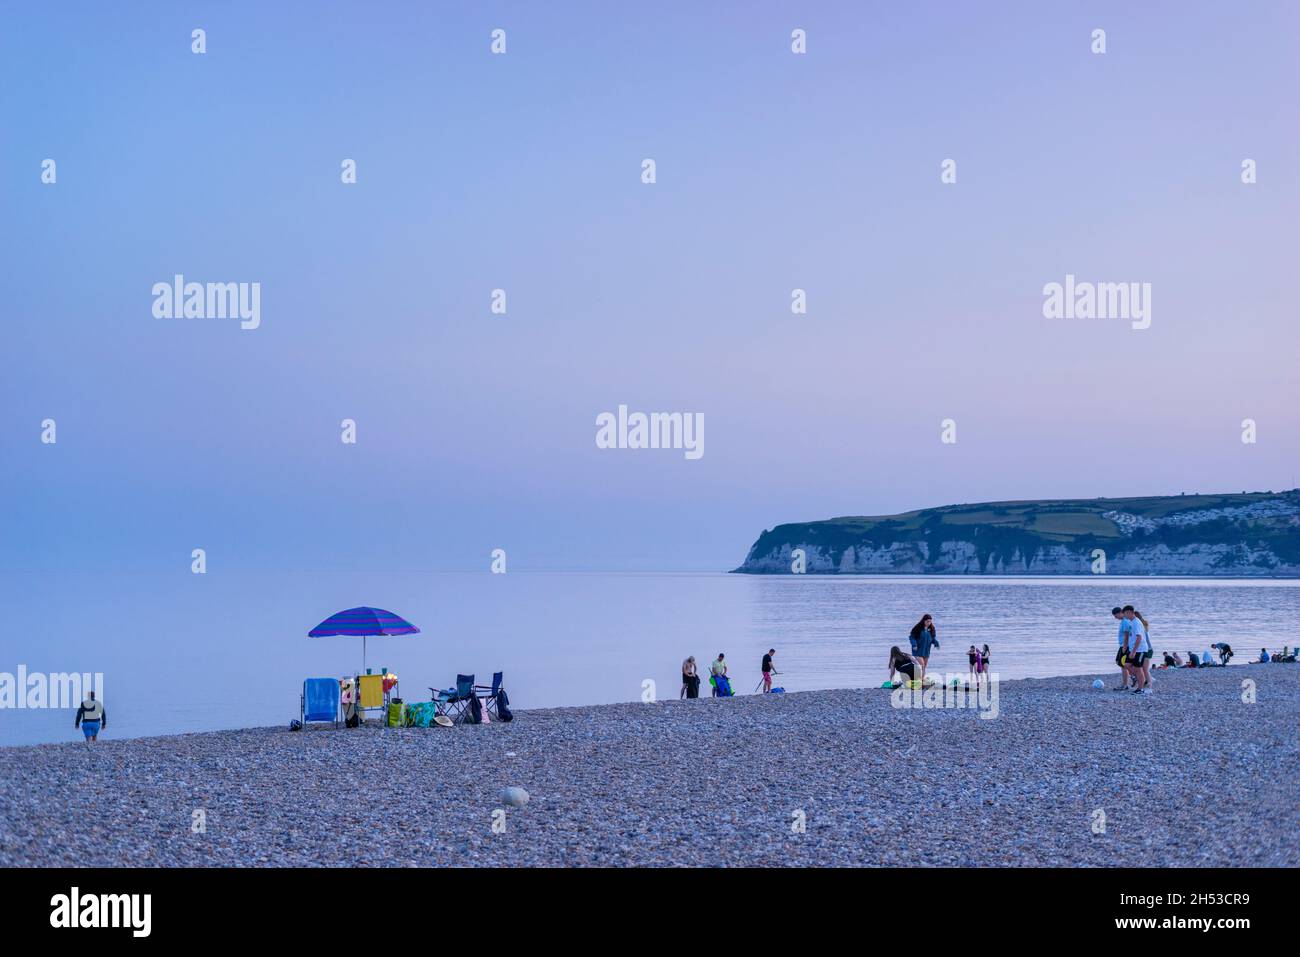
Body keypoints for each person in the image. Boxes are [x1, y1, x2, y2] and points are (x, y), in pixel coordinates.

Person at [1123, 606, 1152, 694]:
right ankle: (1136, 677)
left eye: (1125, 613)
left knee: (1138, 669)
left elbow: (1139, 637)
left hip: (1140, 650)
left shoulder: (1136, 623)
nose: (1124, 615)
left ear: (1130, 612)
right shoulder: (1131, 622)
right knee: (1127, 665)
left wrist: (1134, 651)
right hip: (1133, 649)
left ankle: (1140, 689)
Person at [908, 614, 938, 682]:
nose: (929, 623)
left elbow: (932, 638)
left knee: (924, 667)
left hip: (926, 651)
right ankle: (918, 680)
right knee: (921, 666)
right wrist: (914, 644)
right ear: (924, 621)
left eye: (930, 621)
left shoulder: (931, 629)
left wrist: (936, 643)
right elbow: (911, 637)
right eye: (927, 621)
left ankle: (921, 680)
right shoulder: (918, 628)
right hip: (917, 650)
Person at [1112, 607, 1133, 690]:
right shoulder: (1123, 621)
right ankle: (1129, 680)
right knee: (1119, 662)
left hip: (1125, 646)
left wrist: (1124, 647)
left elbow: (1127, 636)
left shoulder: (1125, 622)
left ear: (1120, 612)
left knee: (1123, 664)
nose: (1115, 617)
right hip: (1122, 645)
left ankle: (1126, 683)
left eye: (1115, 615)